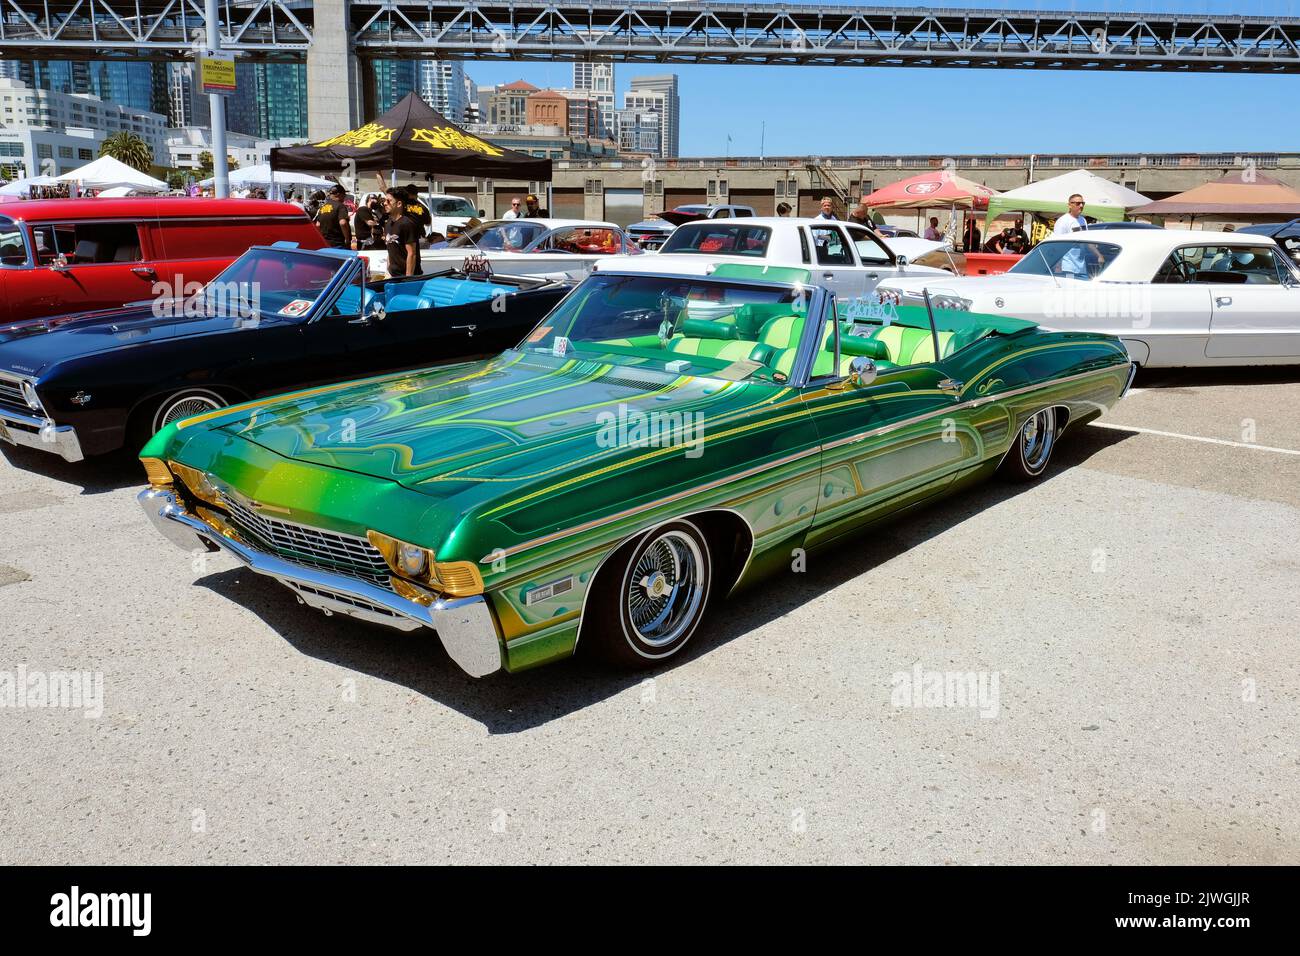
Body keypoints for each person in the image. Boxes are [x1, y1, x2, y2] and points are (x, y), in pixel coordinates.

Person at [382, 188, 421, 278]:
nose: (385, 203)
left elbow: (412, 253)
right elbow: (391, 251)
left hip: (405, 277)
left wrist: (408, 278)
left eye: (389, 201)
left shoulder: (407, 224)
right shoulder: (388, 223)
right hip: (392, 275)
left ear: (399, 204)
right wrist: (388, 271)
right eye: (385, 200)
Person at [313, 184, 352, 249]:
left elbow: (318, 225)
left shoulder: (323, 207)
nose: (345, 197)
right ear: (338, 194)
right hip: (338, 244)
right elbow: (343, 223)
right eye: (344, 194)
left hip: (325, 244)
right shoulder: (340, 206)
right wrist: (347, 239)